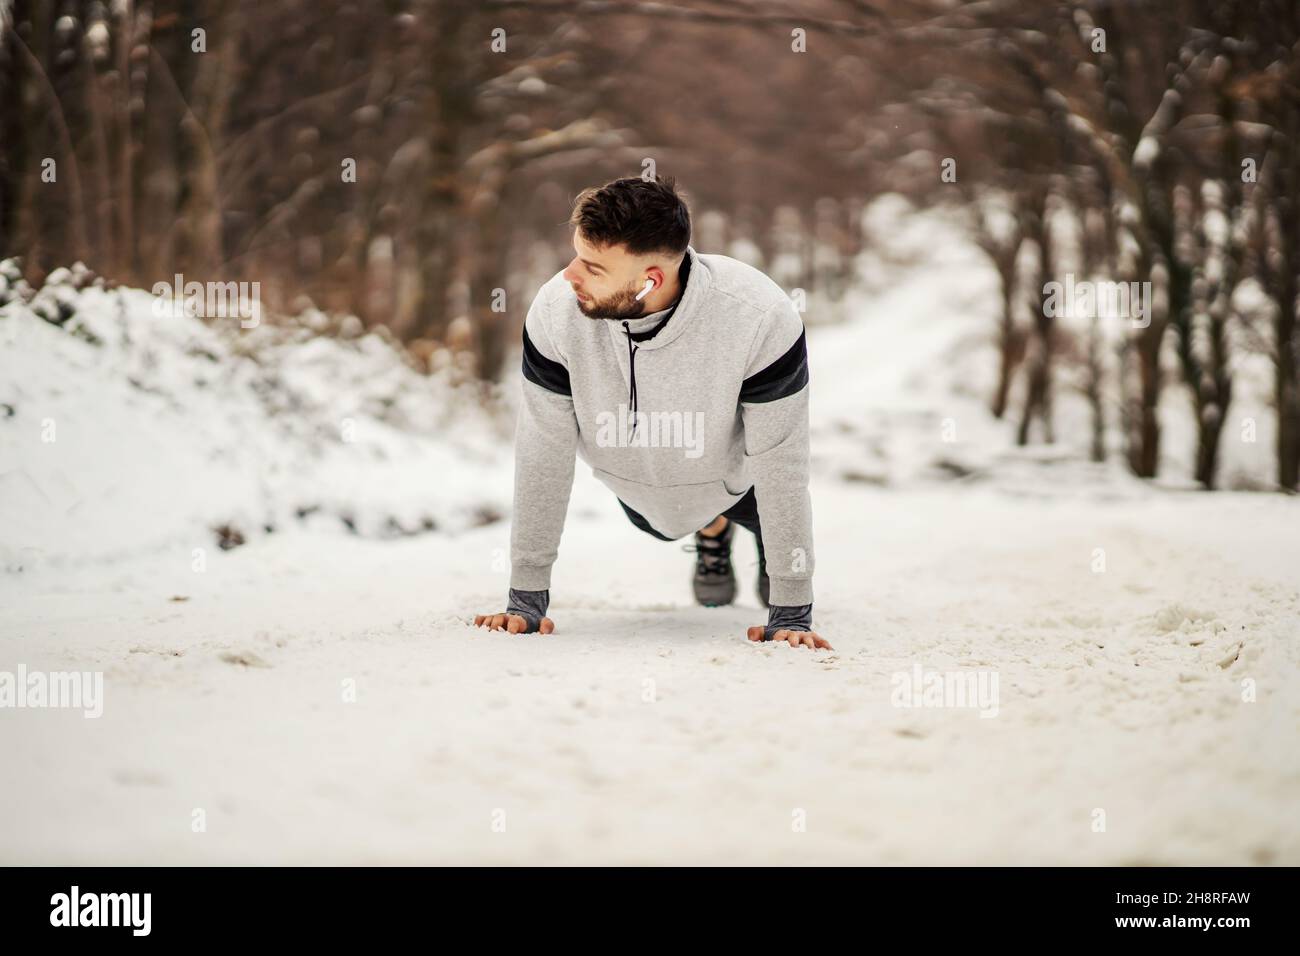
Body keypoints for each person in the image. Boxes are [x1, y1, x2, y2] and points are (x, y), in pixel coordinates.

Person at [473, 175, 830, 650]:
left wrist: (792, 608)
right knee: (657, 523)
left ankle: (728, 524)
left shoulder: (759, 316)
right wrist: (525, 600)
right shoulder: (556, 314)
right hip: (637, 481)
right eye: (576, 255)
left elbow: (780, 463)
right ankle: (711, 528)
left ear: (651, 280)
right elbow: (544, 452)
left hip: (736, 479)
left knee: (765, 526)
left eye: (593, 267)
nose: (569, 276)